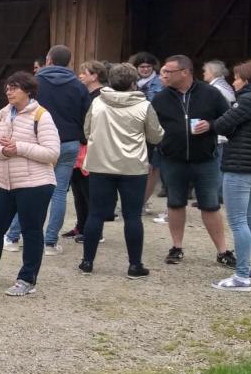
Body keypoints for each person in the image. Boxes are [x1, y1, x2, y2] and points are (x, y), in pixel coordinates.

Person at [0, 71, 60, 297]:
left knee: (31, 230)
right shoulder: (3, 114)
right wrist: (4, 151)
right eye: (7, 88)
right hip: (3, 181)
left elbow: (52, 153)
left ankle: (27, 279)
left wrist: (19, 147)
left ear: (28, 90)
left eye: (14, 87)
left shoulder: (41, 116)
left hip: (35, 183)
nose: (9, 92)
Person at [78, 63, 164, 278]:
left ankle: (87, 262)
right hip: (132, 167)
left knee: (95, 214)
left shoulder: (97, 102)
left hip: (100, 164)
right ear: (134, 82)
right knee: (132, 216)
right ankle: (135, 265)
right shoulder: (144, 106)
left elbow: (87, 130)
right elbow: (155, 136)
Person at [152, 54, 235, 266]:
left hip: (205, 159)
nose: (164, 75)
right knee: (175, 202)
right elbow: (151, 128)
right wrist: (160, 145)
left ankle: (222, 250)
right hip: (172, 159)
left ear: (185, 72)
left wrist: (211, 125)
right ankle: (176, 247)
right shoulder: (160, 98)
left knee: (210, 205)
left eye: (169, 71)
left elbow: (228, 120)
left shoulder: (211, 94)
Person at [211, 61, 251, 292]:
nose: (233, 82)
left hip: (239, 166)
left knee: (238, 221)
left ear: (247, 80)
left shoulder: (247, 100)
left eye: (236, 78)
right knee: (250, 217)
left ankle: (241, 277)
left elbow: (221, 125)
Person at [32, 44, 92, 254]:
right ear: (69, 62)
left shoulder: (35, 83)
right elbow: (87, 117)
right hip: (68, 142)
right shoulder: (78, 85)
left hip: (39, 141)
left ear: (48, 60)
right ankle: (50, 242)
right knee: (59, 193)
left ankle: (15, 236)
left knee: (30, 189)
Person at [65, 60, 107, 242]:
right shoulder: (84, 94)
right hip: (80, 146)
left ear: (95, 76)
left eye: (84, 72)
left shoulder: (102, 96)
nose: (80, 75)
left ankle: (95, 231)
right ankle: (81, 225)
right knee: (78, 190)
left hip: (92, 148)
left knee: (89, 191)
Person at [131, 52, 165, 211]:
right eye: (141, 66)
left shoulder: (161, 83)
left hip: (153, 128)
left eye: (148, 66)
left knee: (152, 167)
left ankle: (142, 202)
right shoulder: (132, 81)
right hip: (134, 128)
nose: (144, 69)